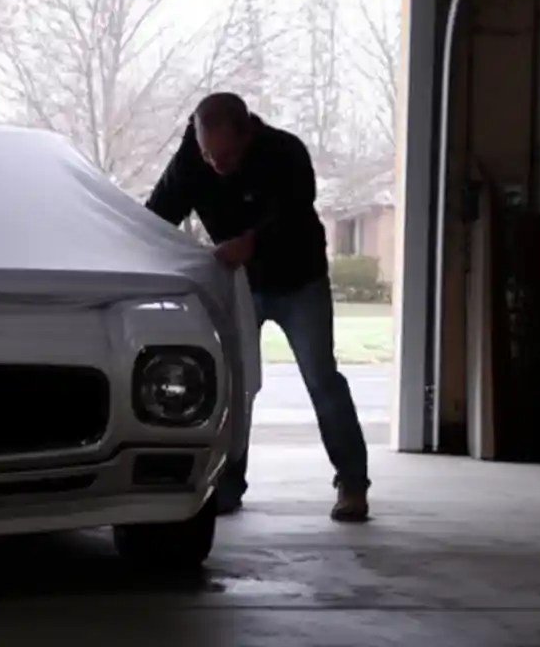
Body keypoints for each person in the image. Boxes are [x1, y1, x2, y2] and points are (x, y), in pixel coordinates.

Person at [144, 92, 371, 522]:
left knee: (322, 378)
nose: (216, 164)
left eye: (226, 154)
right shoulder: (193, 157)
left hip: (298, 279)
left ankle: (353, 483)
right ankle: (227, 483)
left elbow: (291, 216)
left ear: (248, 132)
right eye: (209, 154)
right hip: (239, 284)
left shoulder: (286, 153)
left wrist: (250, 244)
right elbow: (159, 214)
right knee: (233, 384)